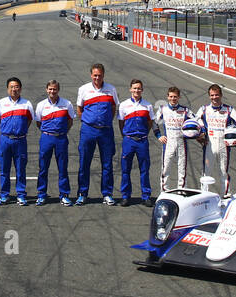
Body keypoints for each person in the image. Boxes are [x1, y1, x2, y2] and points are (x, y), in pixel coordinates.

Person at [75, 63, 119, 205]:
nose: (97, 78)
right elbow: (79, 109)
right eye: (95, 75)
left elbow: (113, 108)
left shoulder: (111, 89)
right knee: (84, 162)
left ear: (103, 75)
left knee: (107, 163)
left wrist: (105, 122)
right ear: (91, 75)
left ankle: (107, 193)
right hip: (88, 130)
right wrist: (89, 122)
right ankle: (82, 193)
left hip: (106, 130)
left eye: (99, 75)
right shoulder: (84, 89)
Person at [196, 83, 236, 196]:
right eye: (212, 95)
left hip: (224, 145)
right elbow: (195, 123)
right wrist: (200, 134)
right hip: (209, 144)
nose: (215, 97)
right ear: (209, 96)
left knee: (224, 172)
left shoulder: (229, 110)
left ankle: (227, 195)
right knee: (206, 173)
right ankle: (204, 196)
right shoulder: (203, 109)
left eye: (217, 95)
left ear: (221, 95)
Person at [0, 77, 34, 205]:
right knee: (4, 169)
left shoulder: (27, 104)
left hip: (20, 141)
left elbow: (29, 120)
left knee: (21, 169)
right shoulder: (1, 103)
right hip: (5, 140)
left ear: (20, 88)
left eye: (16, 87)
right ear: (7, 89)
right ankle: (4, 195)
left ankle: (21, 194)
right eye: (11, 87)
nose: (14, 89)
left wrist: (20, 131)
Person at [34, 79, 76, 206]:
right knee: (43, 167)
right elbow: (38, 122)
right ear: (47, 90)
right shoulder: (41, 105)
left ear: (58, 90)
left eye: (55, 89)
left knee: (62, 167)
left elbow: (70, 121)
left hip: (61, 139)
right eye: (50, 89)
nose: (52, 91)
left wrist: (62, 132)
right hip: (46, 138)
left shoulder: (66, 104)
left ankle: (64, 194)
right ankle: (41, 194)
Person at [116, 78, 153, 207]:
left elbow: (150, 123)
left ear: (142, 90)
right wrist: (125, 135)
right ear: (130, 89)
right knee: (125, 169)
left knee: (144, 169)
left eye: (139, 88)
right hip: (129, 141)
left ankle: (146, 196)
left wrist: (143, 134)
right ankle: (125, 196)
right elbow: (121, 122)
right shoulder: (124, 105)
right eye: (134, 88)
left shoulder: (147, 105)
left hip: (142, 141)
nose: (137, 90)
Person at [152, 85, 194, 193]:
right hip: (168, 142)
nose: (173, 99)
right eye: (171, 96)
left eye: (175, 97)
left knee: (182, 168)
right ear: (167, 97)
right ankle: (164, 190)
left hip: (182, 142)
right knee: (165, 167)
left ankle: (182, 190)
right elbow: (154, 123)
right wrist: (159, 136)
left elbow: (197, 122)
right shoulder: (163, 109)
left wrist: (197, 133)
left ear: (179, 97)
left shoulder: (185, 110)